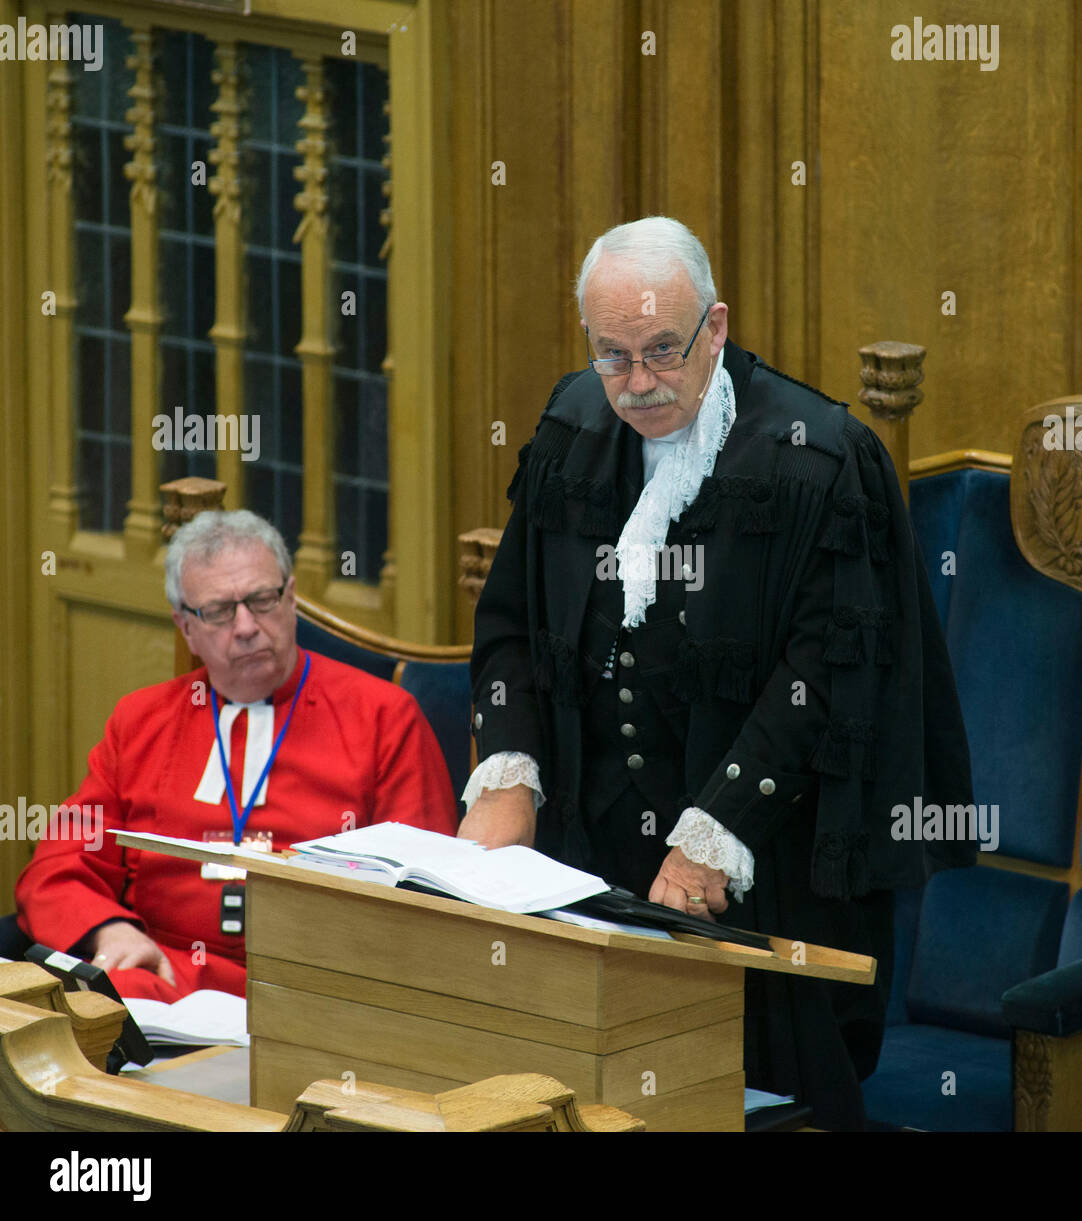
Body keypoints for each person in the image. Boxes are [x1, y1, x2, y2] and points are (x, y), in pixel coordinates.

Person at [461, 216, 974, 1130]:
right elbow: (510, 623)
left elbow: (834, 667)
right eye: (612, 356)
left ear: (718, 327)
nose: (639, 383)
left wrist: (719, 826)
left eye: (662, 350)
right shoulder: (571, 425)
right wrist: (509, 768)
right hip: (590, 863)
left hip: (760, 871)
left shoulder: (818, 459)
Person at [15, 510, 458, 1002]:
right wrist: (111, 933)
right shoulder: (141, 720)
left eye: (262, 600)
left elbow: (426, 900)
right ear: (186, 627)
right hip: (161, 978)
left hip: (320, 993)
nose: (246, 627)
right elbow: (57, 870)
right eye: (220, 611)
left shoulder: (384, 717)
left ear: (289, 598)